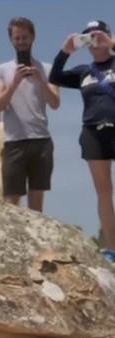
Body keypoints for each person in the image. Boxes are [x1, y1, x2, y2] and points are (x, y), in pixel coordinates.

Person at [49, 19, 115, 261]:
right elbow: (54, 76)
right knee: (104, 192)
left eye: (98, 35)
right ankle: (112, 248)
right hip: (93, 133)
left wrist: (112, 43)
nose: (94, 39)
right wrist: (65, 51)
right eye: (88, 36)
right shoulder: (83, 72)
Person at [0, 17, 61, 212]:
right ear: (11, 40)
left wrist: (39, 79)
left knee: (36, 203)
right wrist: (15, 82)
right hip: (14, 141)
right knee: (11, 202)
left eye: (24, 37)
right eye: (17, 37)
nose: (21, 41)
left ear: (33, 38)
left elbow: (55, 103)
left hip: (41, 140)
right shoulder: (2, 70)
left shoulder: (47, 69)